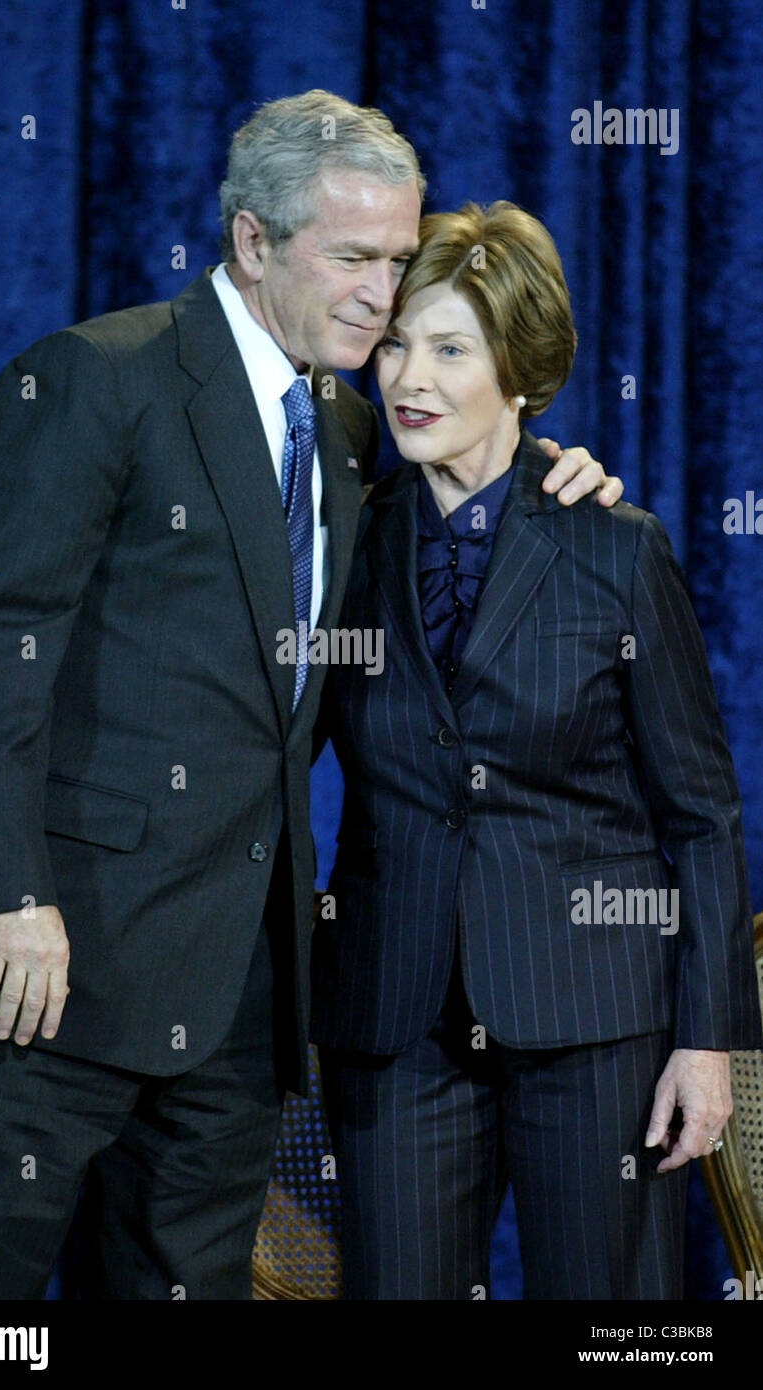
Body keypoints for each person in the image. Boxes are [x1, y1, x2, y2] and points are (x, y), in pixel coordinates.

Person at [0, 95, 618, 1301]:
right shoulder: (95, 379)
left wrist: (546, 473)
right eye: (353, 258)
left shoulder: (340, 424)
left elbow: (446, 499)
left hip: (233, 1006)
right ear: (250, 242)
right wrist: (13, 894)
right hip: (44, 977)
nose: (381, 296)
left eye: (396, 260)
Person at [311, 199, 763, 1301]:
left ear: (519, 373)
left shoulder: (614, 548)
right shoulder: (342, 540)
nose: (407, 376)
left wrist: (710, 1049)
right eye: (400, 342)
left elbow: (699, 815)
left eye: (450, 348)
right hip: (395, 1020)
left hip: (593, 1024)